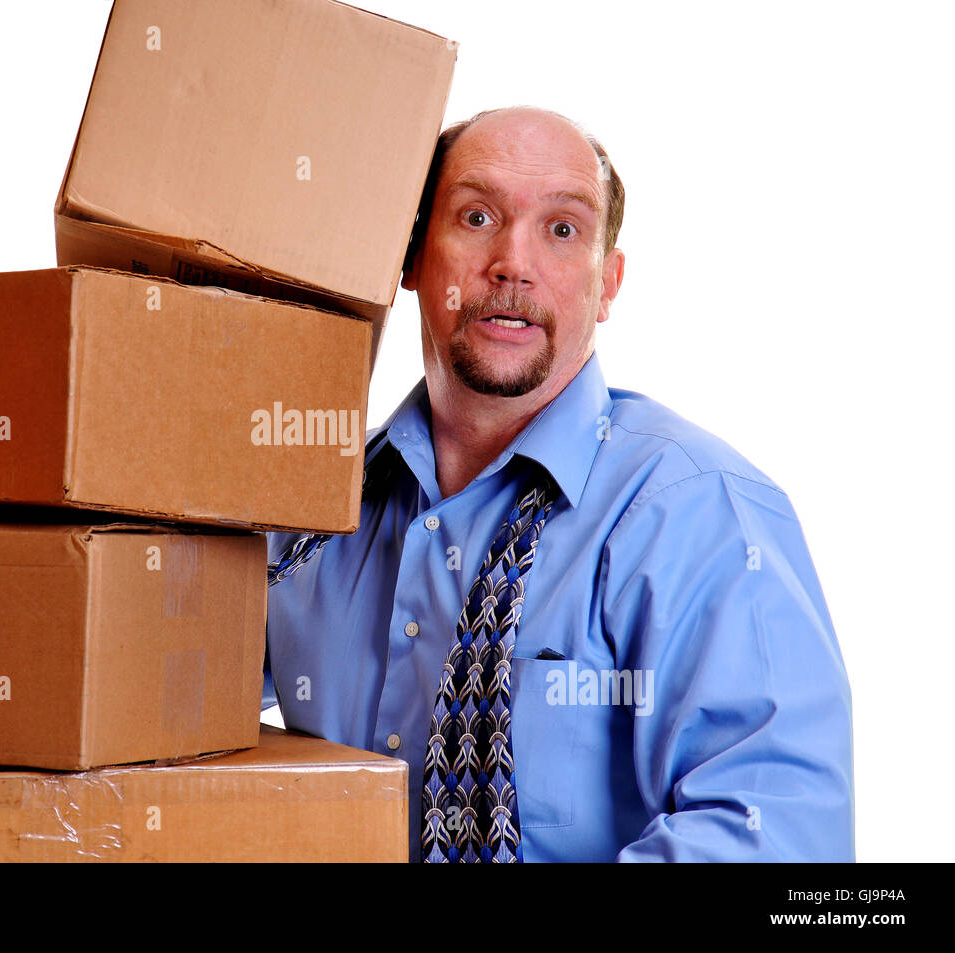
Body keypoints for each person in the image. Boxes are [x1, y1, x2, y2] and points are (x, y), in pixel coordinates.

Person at [263, 106, 854, 863]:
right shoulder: (309, 513)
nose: (514, 261)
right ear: (409, 258)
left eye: (562, 229)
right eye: (477, 217)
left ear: (607, 284)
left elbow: (779, 838)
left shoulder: (700, 514)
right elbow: (161, 706)